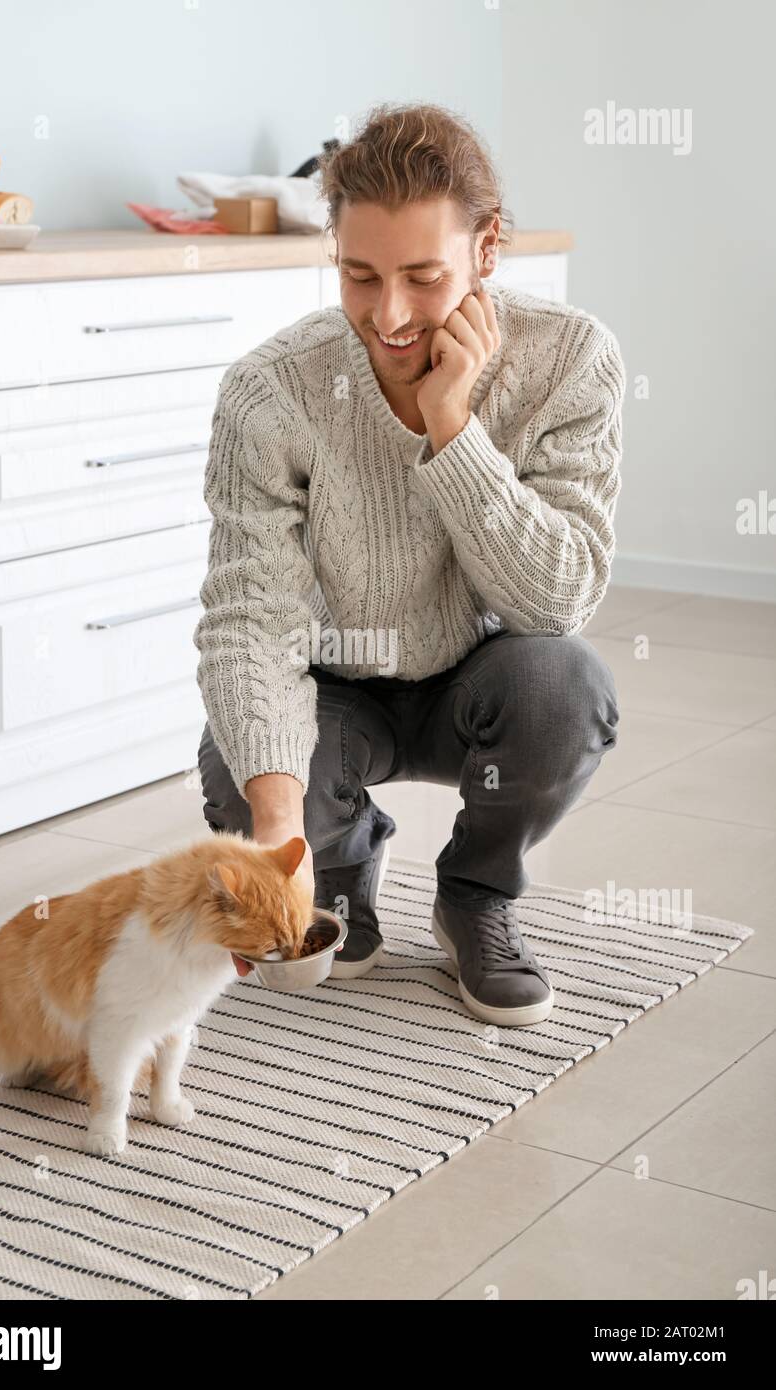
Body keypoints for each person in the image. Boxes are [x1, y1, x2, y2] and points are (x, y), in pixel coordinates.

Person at [193, 102, 623, 1027]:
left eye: (425, 278)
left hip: (485, 679)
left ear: (488, 250)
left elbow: (560, 597)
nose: (388, 316)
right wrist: (278, 827)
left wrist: (453, 429)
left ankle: (475, 896)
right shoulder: (272, 390)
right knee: (241, 765)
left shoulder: (571, 359)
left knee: (566, 687)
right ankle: (341, 872)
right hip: (335, 689)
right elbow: (249, 618)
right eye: (359, 275)